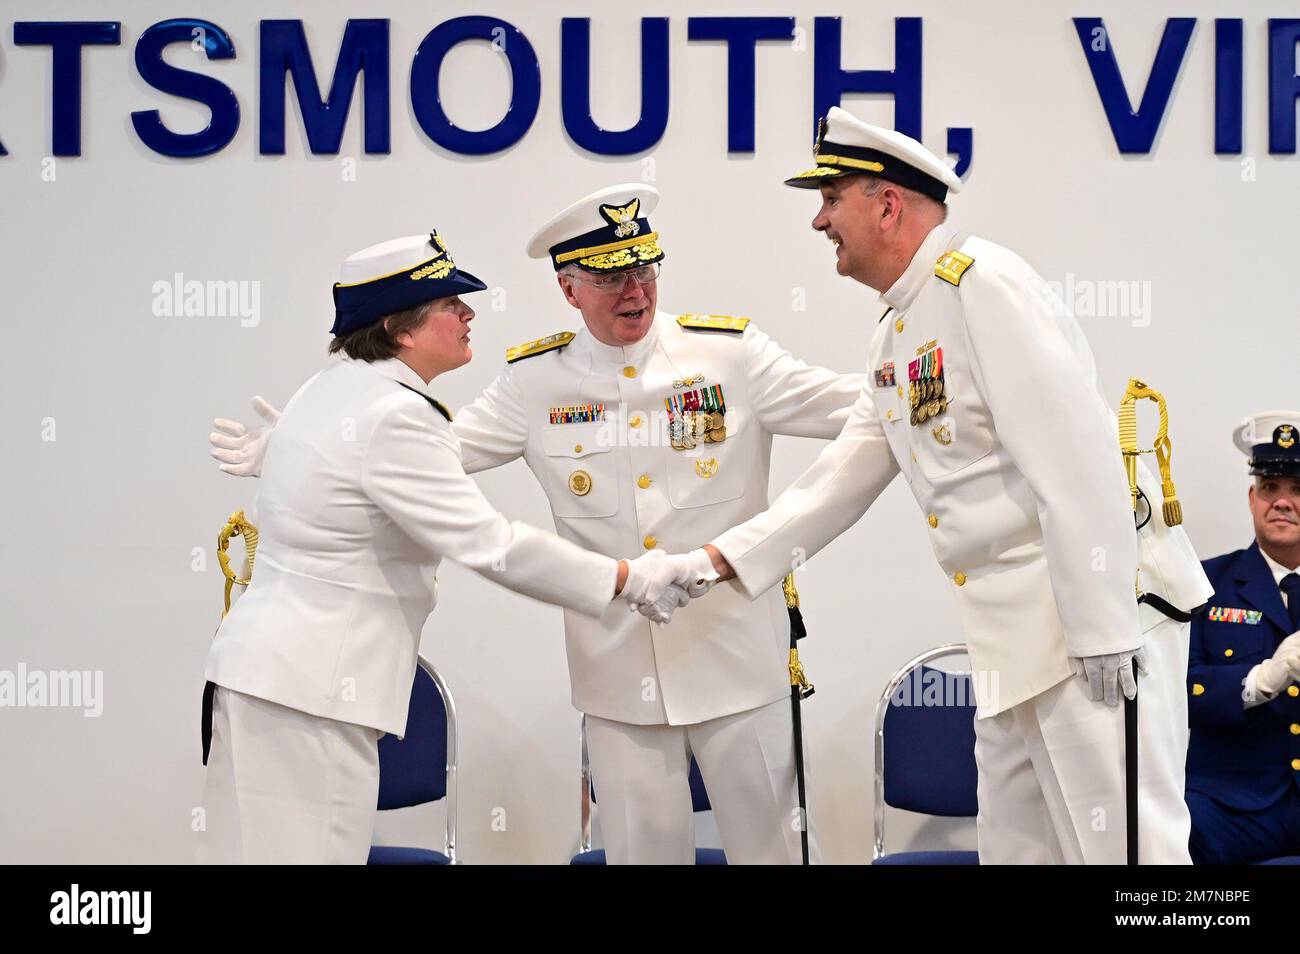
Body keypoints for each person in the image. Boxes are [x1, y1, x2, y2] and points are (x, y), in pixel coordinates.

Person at [209, 185, 866, 864]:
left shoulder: (730, 355)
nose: (634, 290)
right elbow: (435, 461)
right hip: (617, 678)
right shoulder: (535, 381)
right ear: (569, 288)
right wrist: (314, 446)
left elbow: (857, 408)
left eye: (644, 268)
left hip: (738, 666)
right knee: (642, 857)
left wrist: (928, 383)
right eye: (610, 277)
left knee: (774, 855)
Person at [654, 107, 1211, 863]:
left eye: (831, 199)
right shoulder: (898, 329)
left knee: (1127, 856)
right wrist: (706, 564)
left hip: (1090, 624)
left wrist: (1103, 627)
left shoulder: (985, 285)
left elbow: (1079, 463)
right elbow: (834, 487)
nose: (820, 222)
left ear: (887, 205)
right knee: (1021, 853)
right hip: (1010, 640)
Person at [199, 231, 681, 864]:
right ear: (400, 328)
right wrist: (627, 580)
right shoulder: (394, 414)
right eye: (452, 304)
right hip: (310, 693)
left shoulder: (333, 389)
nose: (469, 314)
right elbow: (491, 544)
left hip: (270, 680)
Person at [1186, 411, 1300, 864]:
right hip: (1232, 806)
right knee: (1176, 829)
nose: (1283, 502)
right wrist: (1259, 681)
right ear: (1253, 498)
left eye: (1297, 490)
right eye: (1271, 488)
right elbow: (1179, 691)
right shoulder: (1205, 585)